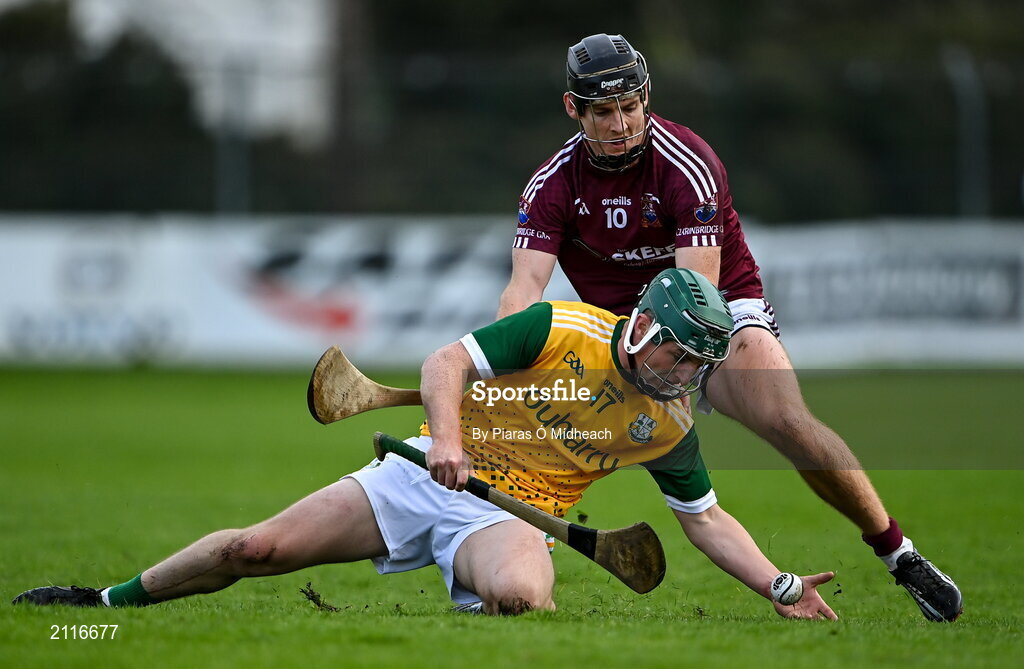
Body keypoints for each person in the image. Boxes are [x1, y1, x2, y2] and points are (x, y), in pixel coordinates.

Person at [13, 269, 836, 619]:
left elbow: (706, 518)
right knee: (258, 546)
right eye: (684, 354)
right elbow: (445, 361)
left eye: (701, 364)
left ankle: (472, 605)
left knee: (524, 598)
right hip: (422, 474)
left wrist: (780, 581)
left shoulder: (670, 423)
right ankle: (104, 605)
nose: (689, 374)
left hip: (518, 514)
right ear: (649, 325)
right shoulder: (558, 327)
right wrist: (446, 439)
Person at [498, 33, 962, 622]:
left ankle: (899, 553)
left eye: (630, 106)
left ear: (645, 97)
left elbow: (698, 296)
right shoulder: (553, 185)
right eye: (604, 111)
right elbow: (522, 291)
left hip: (719, 313)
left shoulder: (686, 163)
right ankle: (519, 539)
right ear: (574, 109)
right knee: (543, 420)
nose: (621, 123)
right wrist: (505, 357)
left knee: (786, 420)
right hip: (621, 334)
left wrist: (653, 374)